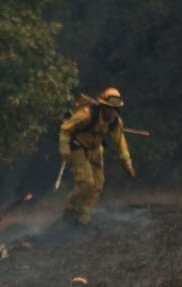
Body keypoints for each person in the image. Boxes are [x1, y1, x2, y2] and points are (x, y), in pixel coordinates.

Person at [58, 87, 136, 225]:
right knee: (86, 182)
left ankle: (83, 218)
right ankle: (69, 211)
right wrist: (65, 151)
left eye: (115, 109)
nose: (113, 112)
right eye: (110, 108)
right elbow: (65, 129)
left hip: (95, 149)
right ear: (103, 106)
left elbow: (120, 143)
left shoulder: (115, 121)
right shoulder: (86, 114)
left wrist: (127, 164)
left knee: (97, 185)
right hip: (78, 147)